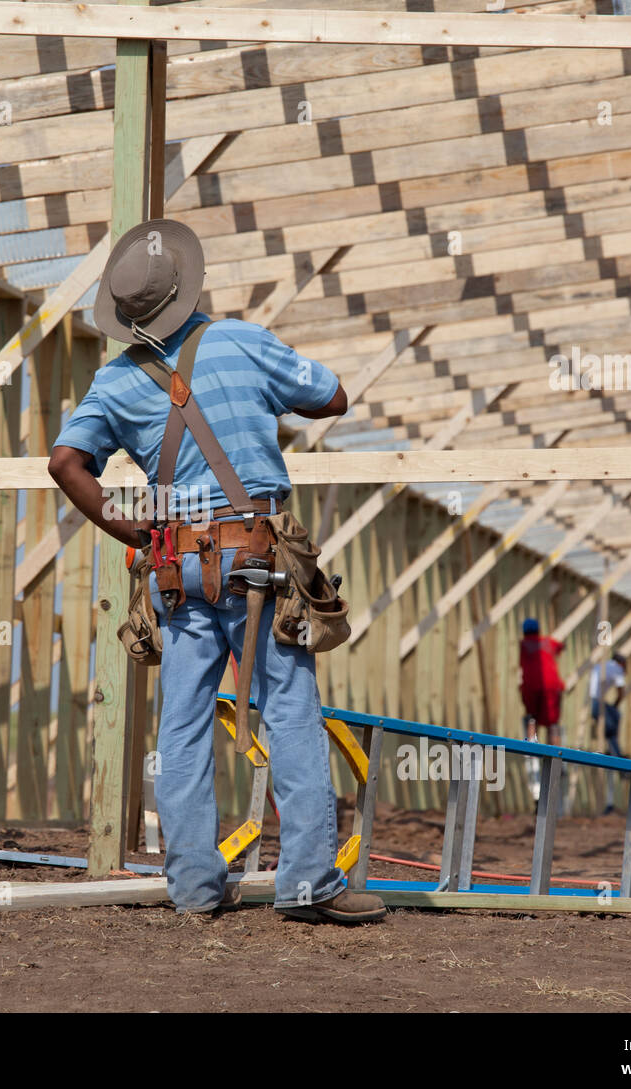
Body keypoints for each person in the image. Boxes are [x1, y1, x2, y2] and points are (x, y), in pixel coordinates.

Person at [47, 218, 386, 924]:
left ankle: (196, 888)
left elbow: (65, 463)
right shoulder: (241, 342)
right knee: (288, 708)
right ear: (187, 290)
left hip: (176, 570)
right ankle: (306, 884)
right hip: (255, 560)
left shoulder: (116, 382)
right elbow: (334, 396)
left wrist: (123, 524)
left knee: (183, 723)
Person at [589, 652, 628, 813]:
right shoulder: (616, 669)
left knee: (614, 718)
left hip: (595, 703)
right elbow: (621, 692)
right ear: (621, 663)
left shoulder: (603, 666)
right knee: (613, 728)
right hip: (598, 704)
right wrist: (616, 705)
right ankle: (620, 763)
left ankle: (614, 752)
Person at [518, 617, 565, 745]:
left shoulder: (523, 644)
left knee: (532, 718)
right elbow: (561, 646)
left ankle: (532, 751)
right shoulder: (548, 642)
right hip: (552, 686)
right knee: (552, 723)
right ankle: (555, 756)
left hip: (530, 685)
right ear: (539, 630)